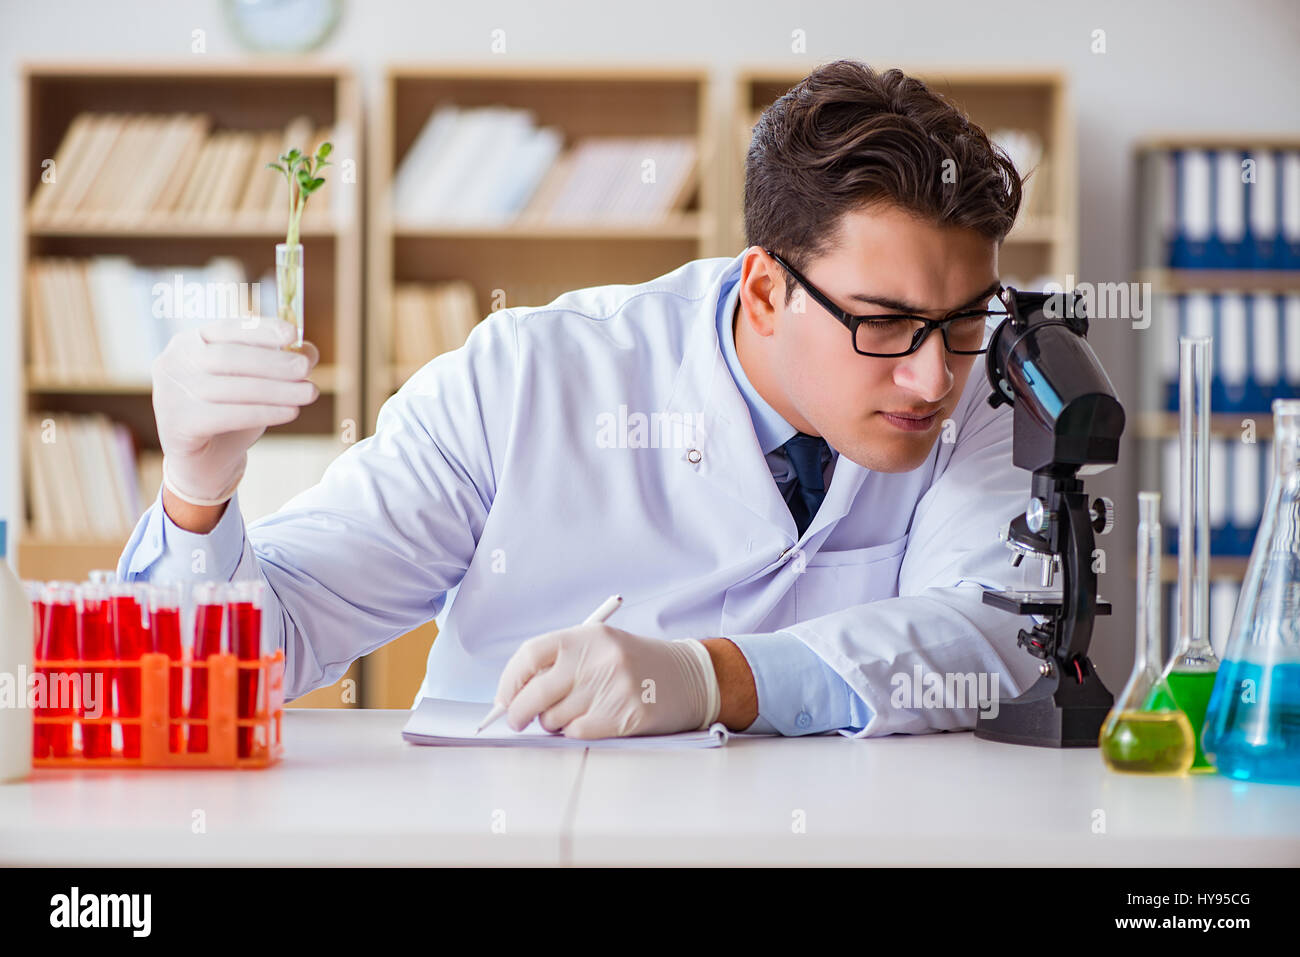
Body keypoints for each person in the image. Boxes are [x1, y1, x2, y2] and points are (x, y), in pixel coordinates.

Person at [120, 59, 1044, 739]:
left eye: (964, 317)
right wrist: (197, 489)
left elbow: (996, 630)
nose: (933, 377)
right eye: (882, 324)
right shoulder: (523, 382)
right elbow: (235, 671)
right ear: (765, 291)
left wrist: (711, 677)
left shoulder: (985, 376)